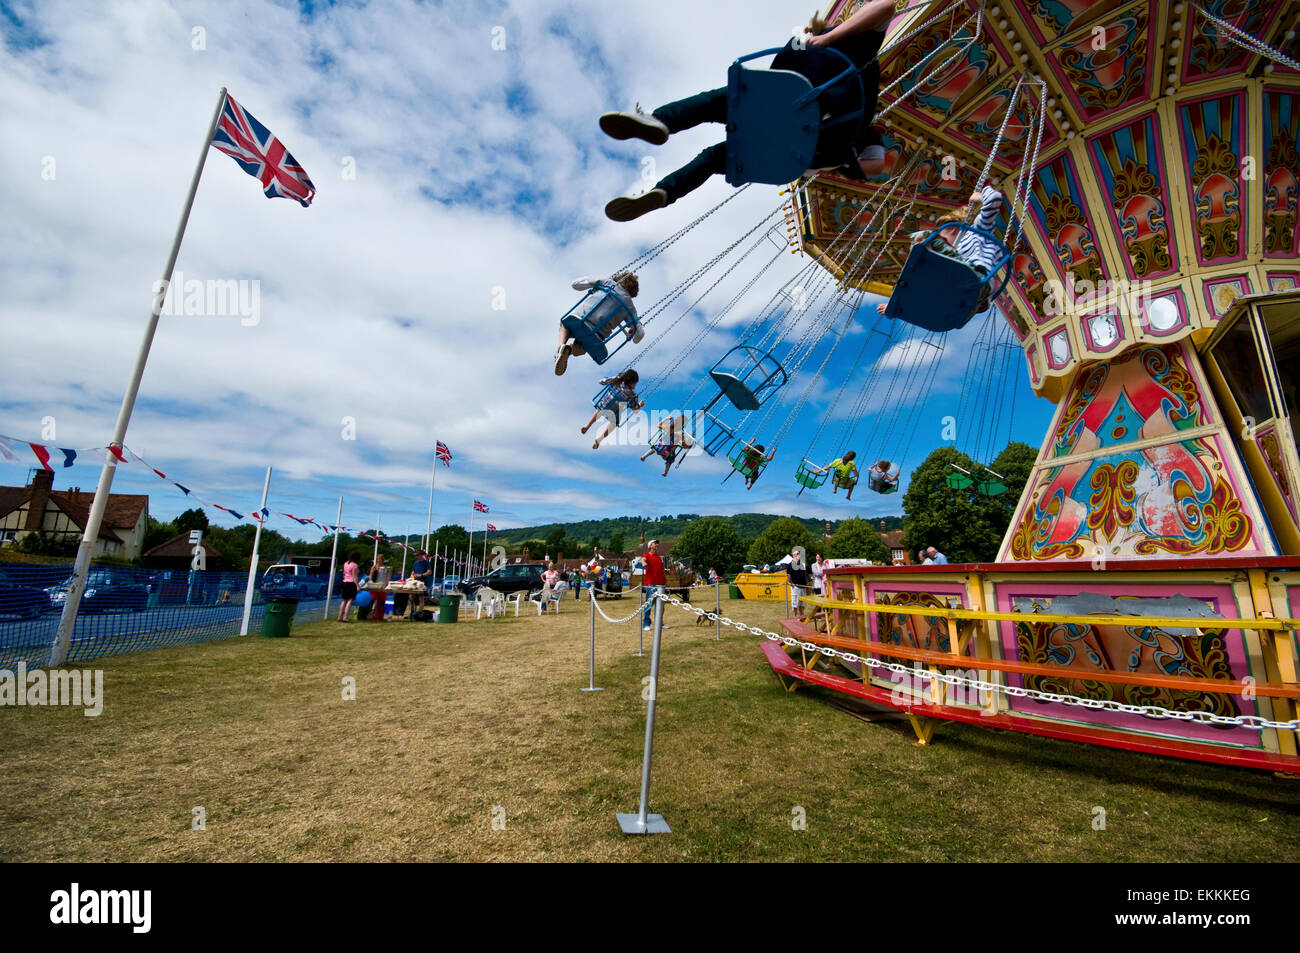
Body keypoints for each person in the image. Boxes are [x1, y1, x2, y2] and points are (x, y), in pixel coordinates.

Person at [601, 3, 895, 221]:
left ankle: (661, 122)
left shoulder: (842, 46)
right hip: (807, 150)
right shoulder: (866, 120)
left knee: (719, 103)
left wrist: (826, 39)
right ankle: (662, 194)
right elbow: (877, 165)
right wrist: (845, 165)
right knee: (716, 157)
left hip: (797, 116)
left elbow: (886, 5)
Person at [876, 186, 1008, 315]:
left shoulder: (979, 232)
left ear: (952, 229)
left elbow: (994, 198)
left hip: (975, 278)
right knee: (931, 286)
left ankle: (922, 256)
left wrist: (979, 196)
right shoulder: (958, 253)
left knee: (925, 237)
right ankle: (900, 305)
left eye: (942, 234)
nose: (941, 238)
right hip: (966, 294)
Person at [556, 273, 646, 376]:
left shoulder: (607, 283)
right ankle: (569, 350)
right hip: (597, 336)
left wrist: (596, 286)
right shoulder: (630, 307)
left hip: (581, 319)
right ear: (632, 293)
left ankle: (561, 347)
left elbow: (575, 284)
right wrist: (632, 335)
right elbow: (640, 334)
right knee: (582, 349)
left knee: (564, 326)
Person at [583, 369, 644, 449]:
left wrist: (602, 380)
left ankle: (587, 425)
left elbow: (602, 381)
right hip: (614, 413)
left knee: (600, 409)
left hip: (604, 405)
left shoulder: (617, 380)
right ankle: (600, 439)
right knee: (614, 423)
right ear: (632, 382)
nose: (635, 386)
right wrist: (640, 405)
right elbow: (636, 410)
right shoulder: (632, 395)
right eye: (635, 383)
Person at [641, 539, 667, 631]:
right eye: (654, 543)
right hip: (651, 584)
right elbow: (643, 559)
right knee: (649, 604)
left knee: (660, 606)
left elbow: (662, 570)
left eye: (657, 543)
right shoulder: (647, 555)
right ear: (650, 546)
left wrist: (665, 582)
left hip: (661, 584)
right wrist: (644, 563)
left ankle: (659, 623)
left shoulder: (659, 558)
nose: (656, 544)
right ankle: (646, 624)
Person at [785, 549, 809, 617]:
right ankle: (794, 617)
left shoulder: (802, 564)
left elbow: (805, 575)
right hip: (796, 587)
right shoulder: (790, 565)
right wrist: (792, 584)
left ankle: (802, 616)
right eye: (797, 554)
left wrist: (807, 585)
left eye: (799, 553)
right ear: (793, 555)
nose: (799, 555)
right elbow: (788, 576)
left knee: (802, 604)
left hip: (803, 587)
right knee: (795, 604)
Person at [338, 550, 360, 622]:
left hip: (345, 582)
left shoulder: (345, 563)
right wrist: (357, 586)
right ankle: (345, 617)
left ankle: (340, 616)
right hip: (351, 583)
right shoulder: (354, 565)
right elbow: (354, 577)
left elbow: (344, 573)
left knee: (344, 600)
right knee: (350, 600)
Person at [369, 553, 392, 620]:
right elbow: (370, 576)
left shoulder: (385, 568)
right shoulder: (374, 567)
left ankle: (379, 615)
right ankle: (372, 614)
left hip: (382, 585)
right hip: (375, 585)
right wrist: (371, 583)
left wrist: (387, 583)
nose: (379, 560)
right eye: (378, 559)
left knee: (381, 601)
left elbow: (388, 576)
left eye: (380, 559)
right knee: (372, 600)